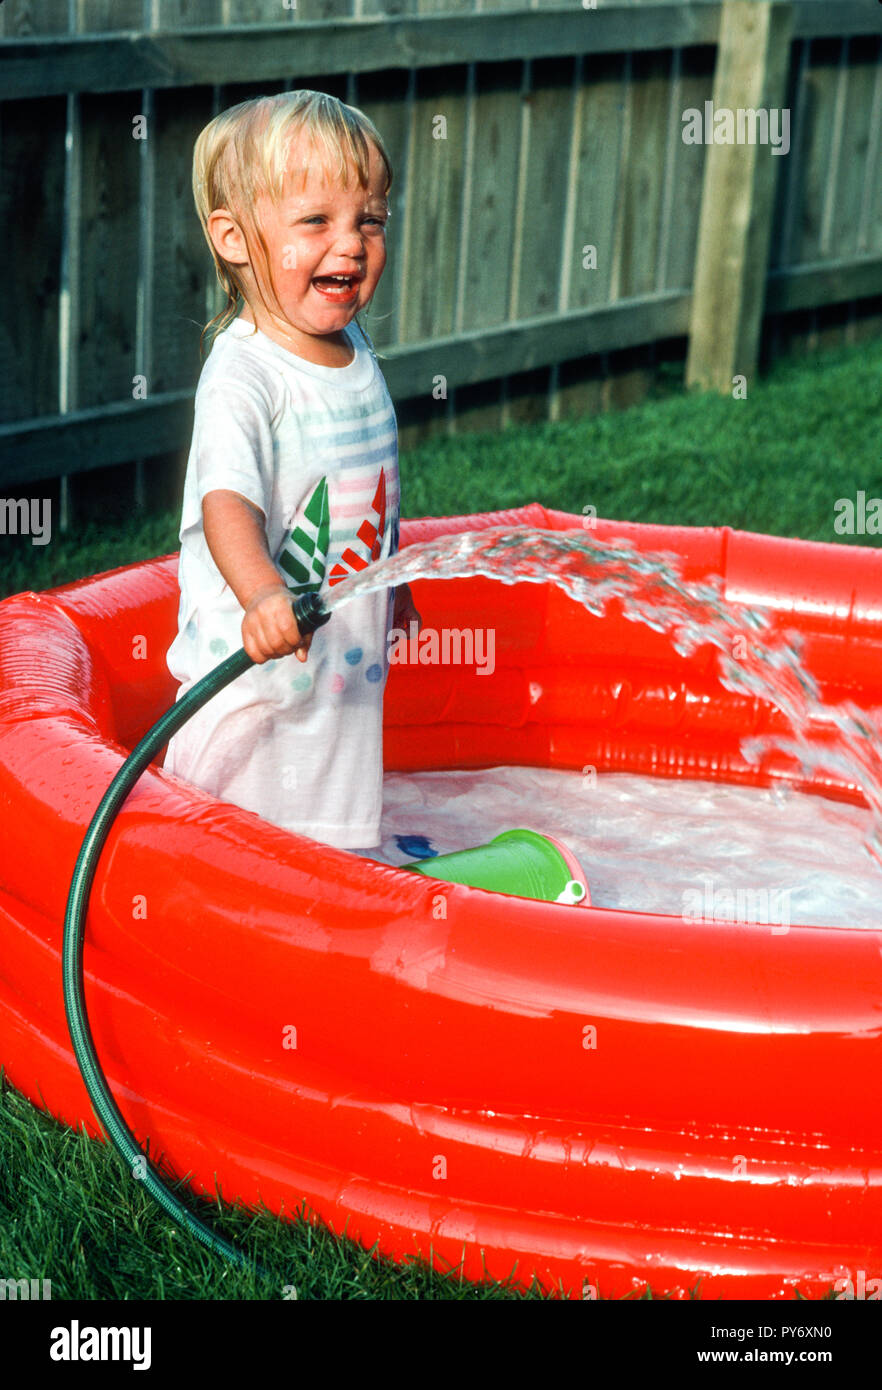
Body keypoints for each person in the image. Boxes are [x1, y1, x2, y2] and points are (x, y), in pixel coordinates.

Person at [163, 90, 420, 851]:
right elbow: (227, 507)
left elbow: (363, 490)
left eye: (368, 221)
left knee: (328, 852)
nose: (350, 244)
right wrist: (263, 594)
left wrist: (391, 583)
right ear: (235, 238)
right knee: (244, 863)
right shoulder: (247, 376)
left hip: (335, 692)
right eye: (317, 222)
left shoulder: (357, 349)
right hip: (253, 696)